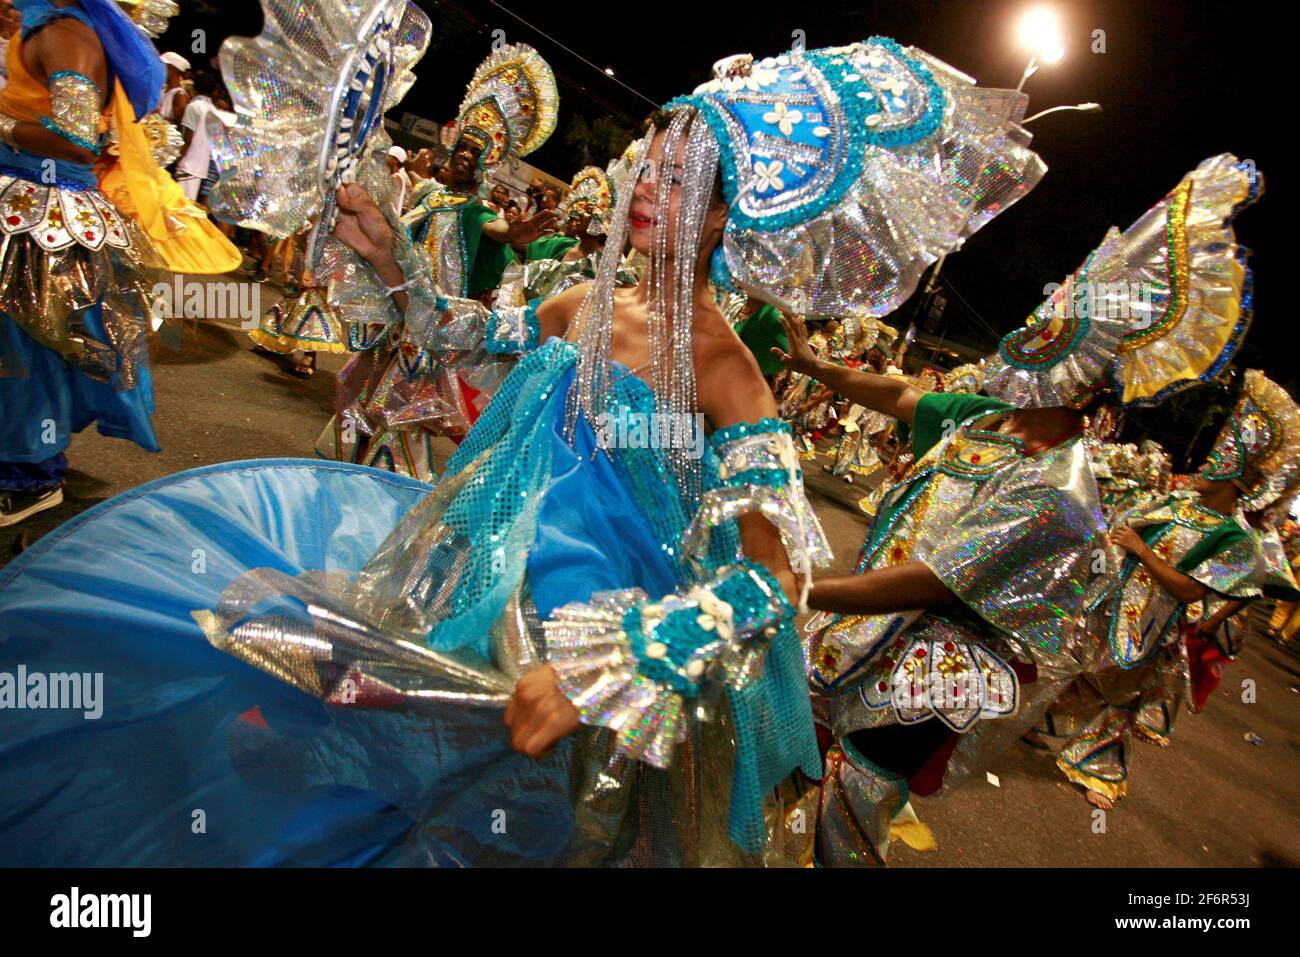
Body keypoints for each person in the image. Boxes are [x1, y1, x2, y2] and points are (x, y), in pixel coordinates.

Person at [0, 35, 1043, 866]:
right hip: (457, 578)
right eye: (653, 158)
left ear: (731, 218)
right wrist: (389, 254)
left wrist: (625, 662)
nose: (647, 185)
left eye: (683, 181)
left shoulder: (726, 369)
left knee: (463, 817)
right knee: (282, 711)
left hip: (564, 640)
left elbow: (774, 573)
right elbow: (458, 336)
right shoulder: (583, 299)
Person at [799, 152, 1262, 861]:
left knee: (853, 810)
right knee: (801, 765)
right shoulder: (989, 419)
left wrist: (800, 585)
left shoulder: (1058, 489)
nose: (1019, 339)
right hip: (859, 629)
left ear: (1079, 387)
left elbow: (937, 579)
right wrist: (816, 367)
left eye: (1044, 334)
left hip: (928, 672)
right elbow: (901, 397)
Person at [318, 43, 562, 479]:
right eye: (463, 147)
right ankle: (348, 459)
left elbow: (496, 230)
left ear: (488, 160)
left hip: (432, 320)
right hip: (396, 306)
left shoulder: (478, 209)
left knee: (403, 399)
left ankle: (388, 482)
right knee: (361, 381)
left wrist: (517, 235)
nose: (466, 155)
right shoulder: (429, 195)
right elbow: (398, 231)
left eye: (475, 151)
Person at [0, 0, 169, 527]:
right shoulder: (46, 25)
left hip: (41, 211)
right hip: (27, 199)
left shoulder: (67, 33)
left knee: (28, 346)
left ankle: (28, 477)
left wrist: (2, 126)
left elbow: (74, 141)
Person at [174, 70, 222, 202]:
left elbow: (187, 138)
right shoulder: (214, 110)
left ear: (194, 88)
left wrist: (177, 159)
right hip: (201, 167)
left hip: (187, 165)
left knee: (179, 208)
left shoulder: (194, 107)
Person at [157, 50, 189, 124]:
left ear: (172, 70)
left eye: (163, 67)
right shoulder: (163, 90)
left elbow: (179, 124)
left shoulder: (179, 94)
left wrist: (156, 116)